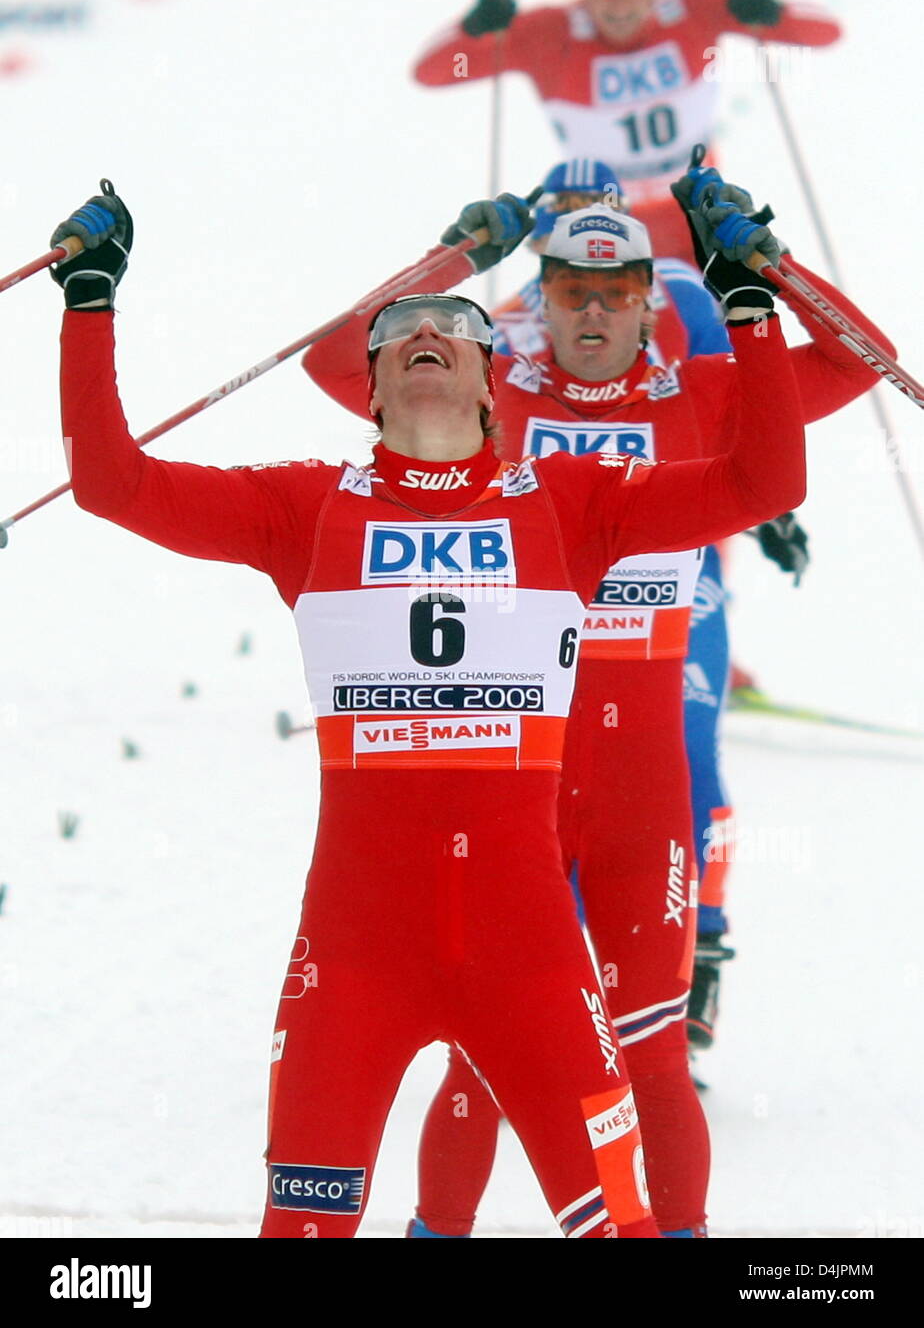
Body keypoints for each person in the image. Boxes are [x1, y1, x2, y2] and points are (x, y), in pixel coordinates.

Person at [50, 180, 807, 1239]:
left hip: (529, 953)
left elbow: (764, 480)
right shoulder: (307, 508)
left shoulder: (566, 502)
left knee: (626, 1224)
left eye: (455, 324)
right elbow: (111, 485)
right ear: (371, 390)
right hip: (352, 960)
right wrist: (90, 304)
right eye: (402, 329)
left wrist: (749, 307)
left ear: (496, 385)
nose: (428, 331)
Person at [304, 173, 894, 1237]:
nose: (590, 310)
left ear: (645, 299)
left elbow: (863, 357)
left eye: (613, 289)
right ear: (543, 292)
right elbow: (334, 360)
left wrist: (764, 262)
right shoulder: (494, 399)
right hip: (511, 784)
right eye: (569, 286)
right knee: (484, 1057)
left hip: (638, 781)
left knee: (653, 1048)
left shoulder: (703, 397)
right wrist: (454, 259)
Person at [492, 158, 809, 1053]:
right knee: (556, 791)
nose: (589, 229)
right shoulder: (522, 304)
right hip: (556, 588)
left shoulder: (676, 287)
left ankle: (696, 959)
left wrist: (773, 508)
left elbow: (750, 401)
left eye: (603, 210)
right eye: (564, 216)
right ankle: (564, 994)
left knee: (686, 756)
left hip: (680, 560)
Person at [412, 0, 841, 259]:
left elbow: (825, 31)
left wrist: (768, 8)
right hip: (602, 217)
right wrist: (474, 26)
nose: (618, 10)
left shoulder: (693, 4)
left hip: (696, 212)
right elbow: (431, 72)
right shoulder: (551, 33)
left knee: (714, 342)